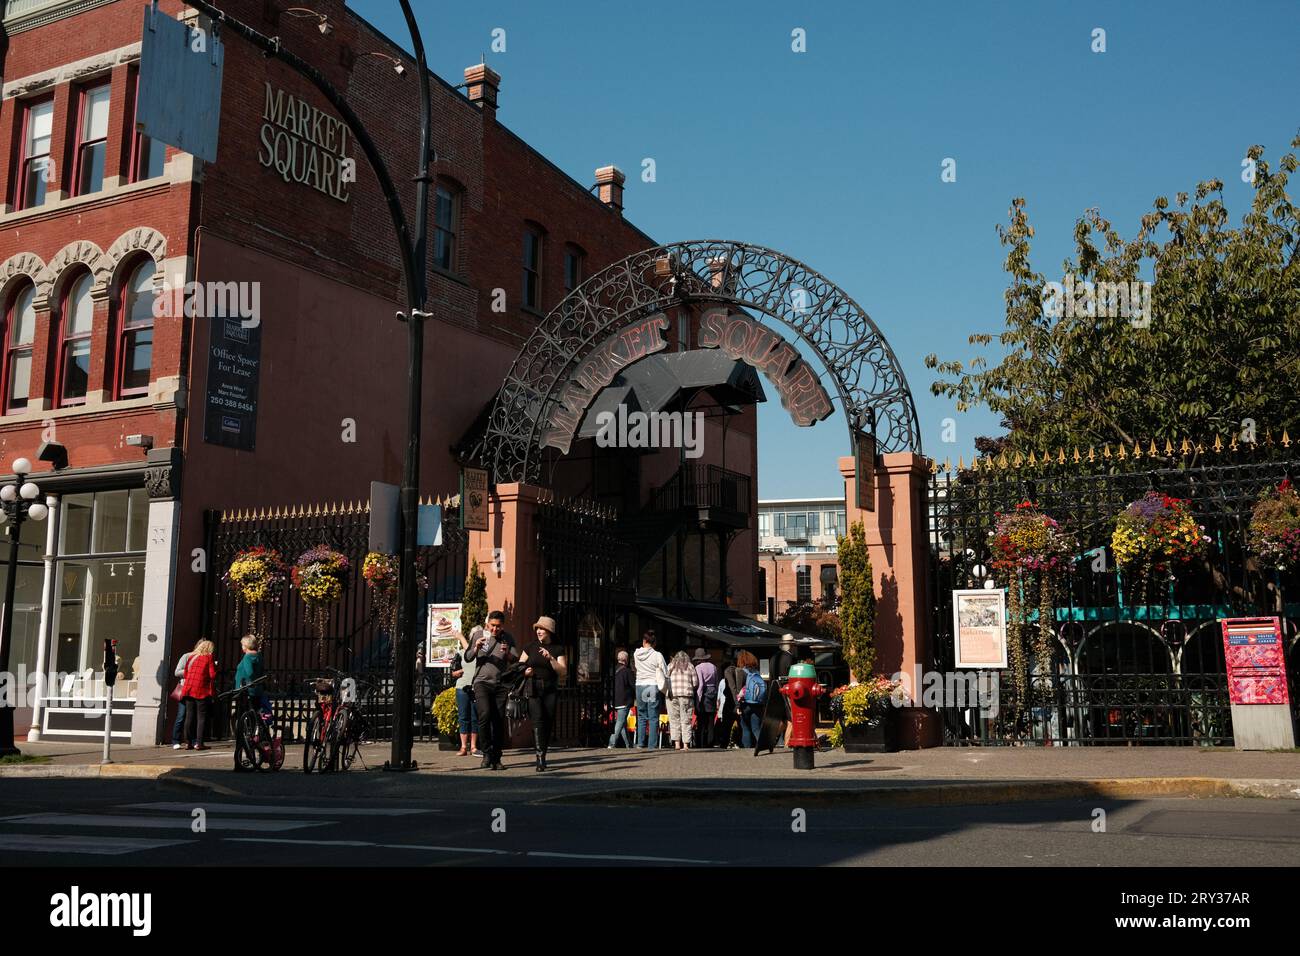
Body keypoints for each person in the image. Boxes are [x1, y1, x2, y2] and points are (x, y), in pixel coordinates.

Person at [467, 610, 517, 770]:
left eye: (498, 626)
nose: (495, 629)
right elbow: (467, 657)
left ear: (503, 626)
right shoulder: (479, 635)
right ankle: (486, 752)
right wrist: (476, 648)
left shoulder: (508, 638)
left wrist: (507, 653)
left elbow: (514, 659)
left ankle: (496, 757)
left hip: (500, 684)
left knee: (498, 719)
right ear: (487, 623)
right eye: (492, 626)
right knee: (485, 714)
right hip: (481, 682)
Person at [519, 615, 566, 772]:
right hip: (533, 688)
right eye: (537, 629)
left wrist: (551, 659)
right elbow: (519, 667)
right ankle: (540, 758)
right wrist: (525, 672)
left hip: (550, 690)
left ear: (549, 631)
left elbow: (563, 671)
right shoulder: (530, 647)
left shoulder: (558, 648)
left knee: (547, 722)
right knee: (538, 721)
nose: (538, 631)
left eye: (542, 629)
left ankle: (543, 752)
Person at [180, 639, 218, 750]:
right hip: (201, 690)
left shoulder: (192, 657)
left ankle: (188, 742)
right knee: (201, 717)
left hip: (188, 689)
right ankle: (199, 743)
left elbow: (186, 673)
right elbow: (212, 675)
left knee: (189, 716)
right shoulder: (209, 657)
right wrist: (215, 667)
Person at [633, 629, 668, 749]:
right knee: (653, 717)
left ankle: (640, 743)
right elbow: (665, 671)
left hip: (640, 685)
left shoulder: (636, 654)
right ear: (654, 643)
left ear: (644, 641)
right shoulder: (657, 655)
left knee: (641, 715)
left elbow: (636, 667)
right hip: (652, 686)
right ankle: (652, 745)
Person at [451, 627, 480, 757]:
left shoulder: (482, 653)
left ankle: (473, 747)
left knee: (475, 717)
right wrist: (456, 673)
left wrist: (461, 637)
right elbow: (453, 671)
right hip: (462, 687)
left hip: (476, 688)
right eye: (473, 636)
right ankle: (463, 747)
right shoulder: (461, 653)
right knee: (463, 717)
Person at [666, 650, 698, 750]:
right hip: (686, 696)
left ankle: (676, 744)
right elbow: (695, 683)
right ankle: (686, 745)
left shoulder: (670, 666)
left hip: (672, 696)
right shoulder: (690, 666)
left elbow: (665, 679)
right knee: (686, 720)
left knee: (674, 719)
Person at [233, 634, 271, 720]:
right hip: (257, 689)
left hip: (245, 689)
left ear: (246, 645)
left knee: (243, 715)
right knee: (254, 713)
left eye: (242, 644)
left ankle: (244, 732)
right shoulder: (259, 655)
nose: (242, 647)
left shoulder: (247, 657)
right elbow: (261, 671)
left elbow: (249, 672)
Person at [170, 641, 199, 749]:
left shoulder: (205, 658)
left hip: (197, 689)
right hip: (185, 688)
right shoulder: (186, 656)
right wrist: (192, 671)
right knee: (181, 715)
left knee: (195, 716)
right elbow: (177, 672)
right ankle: (175, 740)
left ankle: (193, 740)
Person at [735, 650, 766, 749]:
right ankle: (763, 746)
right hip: (757, 704)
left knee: (745, 728)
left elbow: (739, 690)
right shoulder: (757, 672)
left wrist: (738, 706)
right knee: (756, 728)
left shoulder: (741, 672)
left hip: (745, 704)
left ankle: (747, 750)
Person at [770, 636, 796, 746]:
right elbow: (793, 677)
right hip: (788, 692)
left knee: (783, 720)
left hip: (775, 691)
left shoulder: (773, 657)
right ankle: (786, 744)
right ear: (791, 645)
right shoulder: (790, 658)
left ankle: (769, 738)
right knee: (792, 719)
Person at [692, 648, 719, 748]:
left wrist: (698, 698)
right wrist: (716, 697)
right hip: (712, 693)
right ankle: (710, 742)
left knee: (701, 720)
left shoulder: (698, 668)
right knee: (711, 721)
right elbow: (716, 682)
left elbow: (701, 684)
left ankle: (700, 743)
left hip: (703, 694)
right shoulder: (714, 667)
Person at [608, 649, 635, 749]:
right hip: (624, 700)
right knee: (620, 723)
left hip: (614, 700)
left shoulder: (612, 670)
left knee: (622, 722)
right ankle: (611, 743)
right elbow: (633, 686)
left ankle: (629, 744)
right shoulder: (627, 671)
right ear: (626, 660)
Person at [718, 654, 742, 749]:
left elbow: (732, 688)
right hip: (738, 701)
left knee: (726, 726)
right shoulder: (739, 671)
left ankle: (724, 744)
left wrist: (737, 704)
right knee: (740, 725)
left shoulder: (728, 671)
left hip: (731, 702)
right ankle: (741, 743)